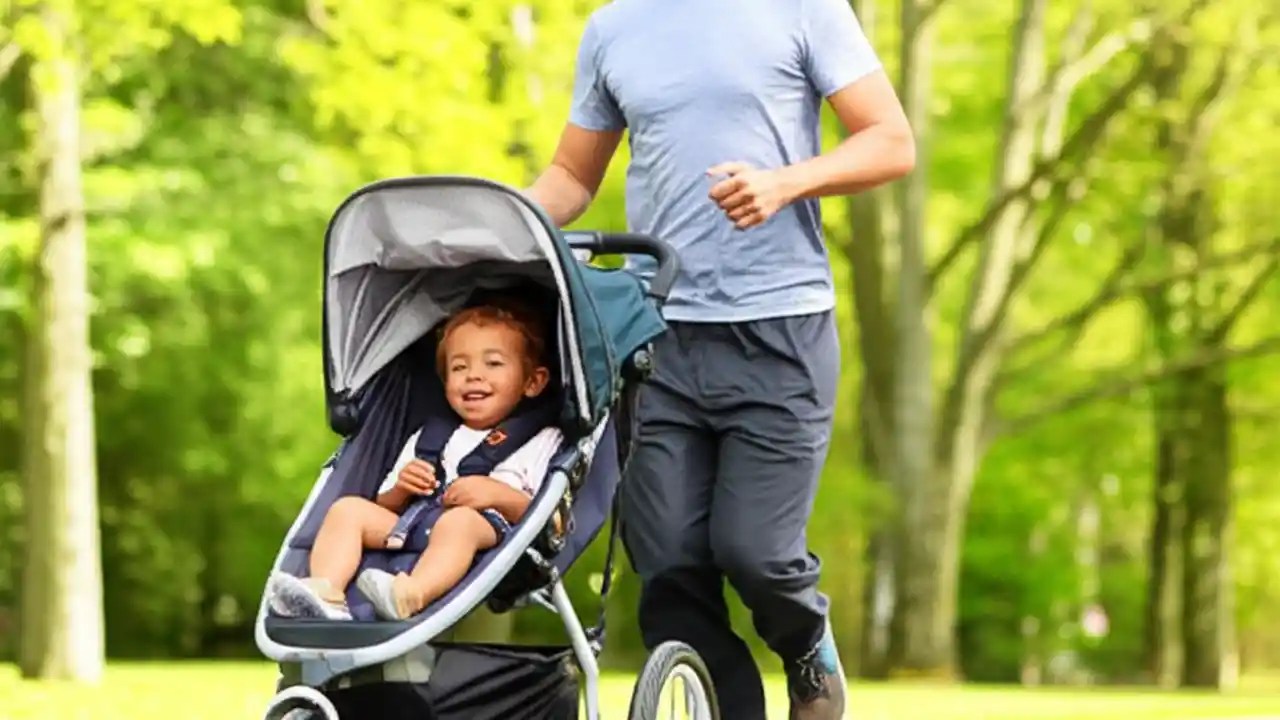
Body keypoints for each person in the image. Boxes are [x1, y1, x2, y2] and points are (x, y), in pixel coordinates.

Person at [523, 1, 915, 718]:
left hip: (780, 332)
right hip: (659, 337)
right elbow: (572, 177)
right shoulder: (614, 27)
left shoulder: (804, 10)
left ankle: (806, 650)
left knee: (756, 552)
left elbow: (892, 141)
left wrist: (785, 182)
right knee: (668, 565)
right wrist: (508, 220)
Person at [266, 303, 564, 622]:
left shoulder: (542, 439)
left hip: (485, 529)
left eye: (493, 363)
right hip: (414, 521)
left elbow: (554, 521)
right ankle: (326, 592)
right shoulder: (431, 435)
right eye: (459, 368)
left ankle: (411, 594)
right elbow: (385, 503)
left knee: (459, 522)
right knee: (348, 510)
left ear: (533, 382)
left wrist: (496, 494)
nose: (474, 375)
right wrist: (401, 490)